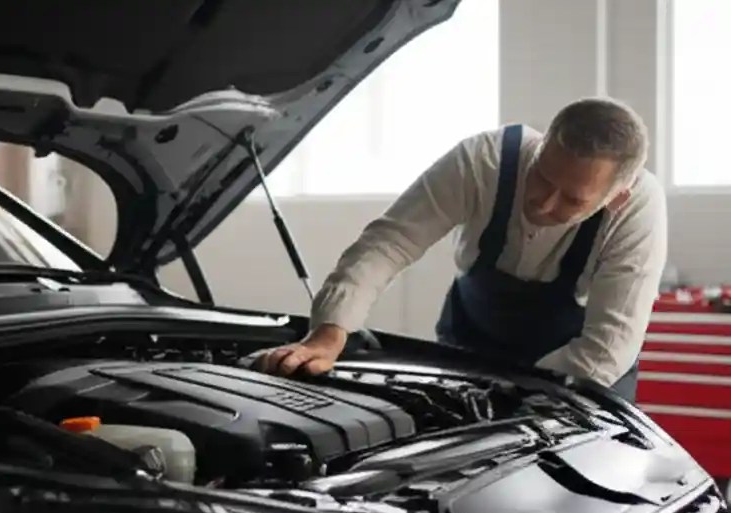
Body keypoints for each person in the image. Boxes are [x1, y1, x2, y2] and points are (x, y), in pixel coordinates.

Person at [256, 96, 667, 401]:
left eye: (572, 200)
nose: (544, 203)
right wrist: (328, 332)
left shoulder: (638, 207)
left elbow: (609, 344)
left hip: (580, 369)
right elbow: (389, 242)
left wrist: (516, 397)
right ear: (542, 146)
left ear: (615, 199)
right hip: (471, 344)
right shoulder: (483, 162)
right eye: (542, 177)